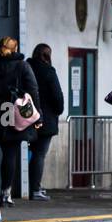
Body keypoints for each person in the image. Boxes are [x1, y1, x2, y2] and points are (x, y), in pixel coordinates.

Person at [0, 36, 41, 206]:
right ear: (15, 48)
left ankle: (4, 191)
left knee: (6, 152)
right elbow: (33, 90)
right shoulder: (22, 66)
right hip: (15, 110)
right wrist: (37, 116)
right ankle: (6, 193)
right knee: (10, 153)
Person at [26, 43, 63, 201]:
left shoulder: (25, 68)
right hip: (45, 120)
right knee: (39, 154)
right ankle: (35, 189)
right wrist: (58, 110)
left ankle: (21, 187)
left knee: (22, 152)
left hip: (25, 117)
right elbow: (57, 97)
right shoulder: (48, 71)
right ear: (47, 56)